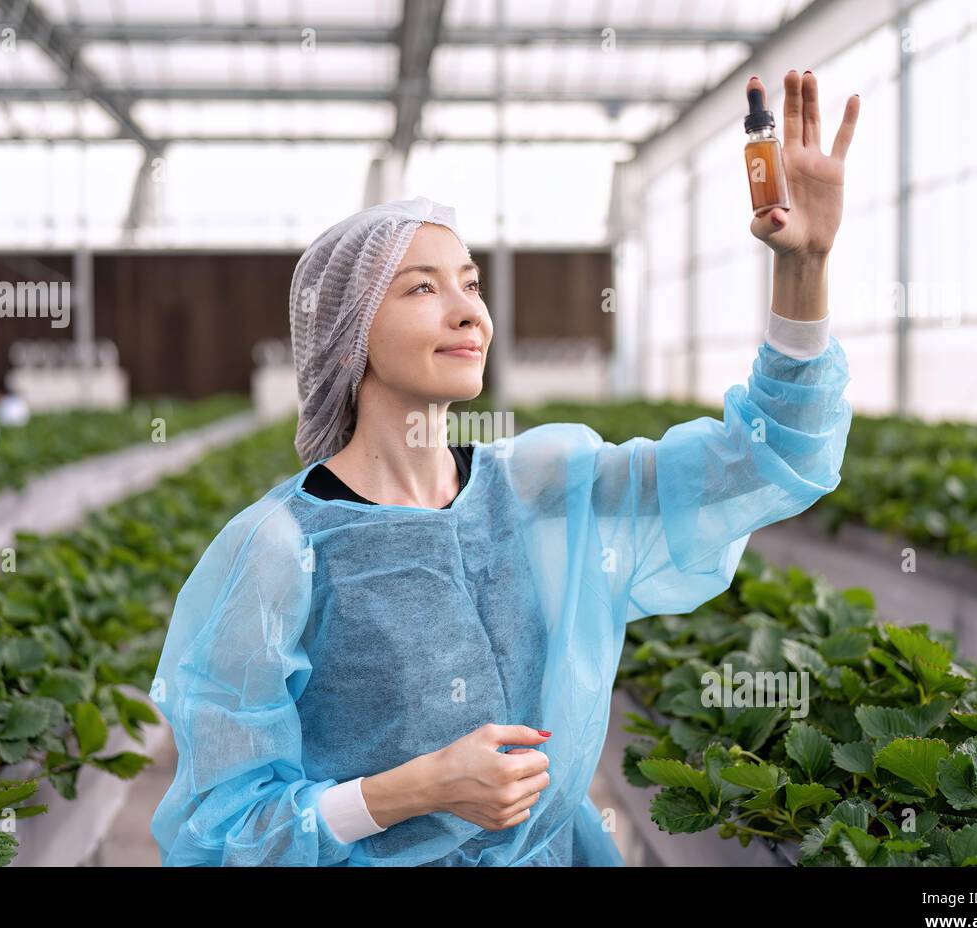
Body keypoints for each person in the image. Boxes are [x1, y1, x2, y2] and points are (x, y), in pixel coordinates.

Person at [149, 70, 860, 866]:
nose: (469, 312)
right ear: (347, 335)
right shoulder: (278, 548)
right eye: (423, 287)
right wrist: (415, 788)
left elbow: (764, 461)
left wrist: (804, 269)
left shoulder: (537, 486)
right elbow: (228, 835)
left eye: (472, 283)